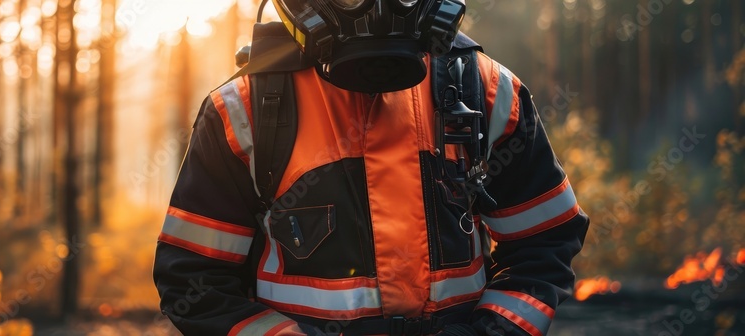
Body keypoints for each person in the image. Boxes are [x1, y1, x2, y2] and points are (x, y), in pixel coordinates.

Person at [153, 0, 590, 335]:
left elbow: (544, 243)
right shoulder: (245, 111)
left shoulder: (487, 92)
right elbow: (195, 282)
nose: (379, 9)